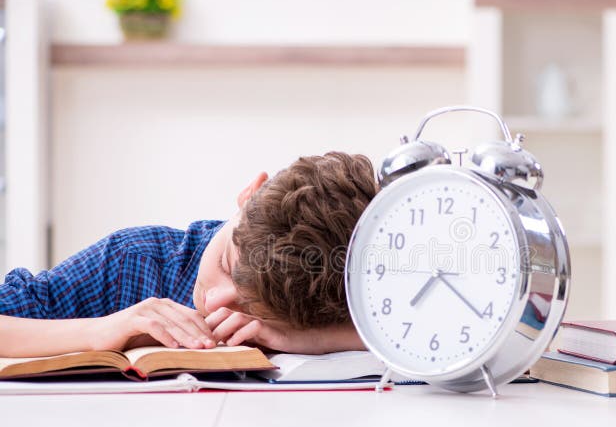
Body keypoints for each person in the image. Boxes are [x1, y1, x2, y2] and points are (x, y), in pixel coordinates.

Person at [0, 152, 378, 358]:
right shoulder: (134, 262)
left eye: (256, 306)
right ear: (250, 193)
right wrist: (103, 330)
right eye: (226, 267)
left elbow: (436, 343)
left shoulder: (342, 286)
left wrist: (317, 339)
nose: (214, 303)